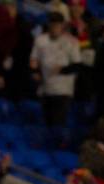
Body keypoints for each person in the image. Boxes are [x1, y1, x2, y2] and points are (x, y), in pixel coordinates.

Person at [29, 11, 83, 144]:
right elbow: (33, 60)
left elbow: (77, 65)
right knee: (47, 122)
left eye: (57, 25)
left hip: (63, 89)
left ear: (62, 26)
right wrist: (35, 71)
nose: (54, 28)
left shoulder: (71, 42)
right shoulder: (41, 40)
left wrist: (62, 69)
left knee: (59, 123)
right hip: (45, 87)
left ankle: (58, 148)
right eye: (52, 25)